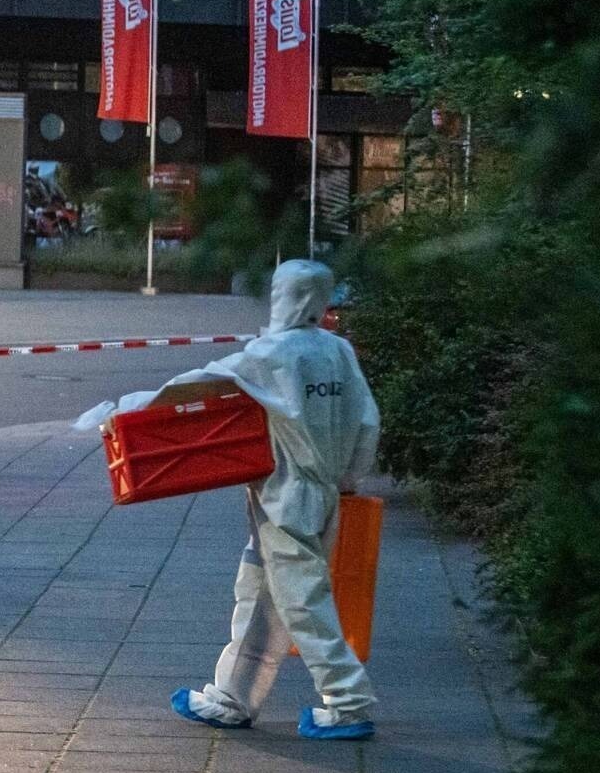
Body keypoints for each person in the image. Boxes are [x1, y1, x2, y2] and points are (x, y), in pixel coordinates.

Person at [80, 259, 382, 740]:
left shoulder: (273, 354)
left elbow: (198, 383)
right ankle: (233, 697)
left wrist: (123, 412)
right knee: (263, 595)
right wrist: (348, 478)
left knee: (301, 602)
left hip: (287, 496)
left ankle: (349, 702)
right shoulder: (339, 352)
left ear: (283, 295)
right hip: (323, 491)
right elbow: (367, 420)